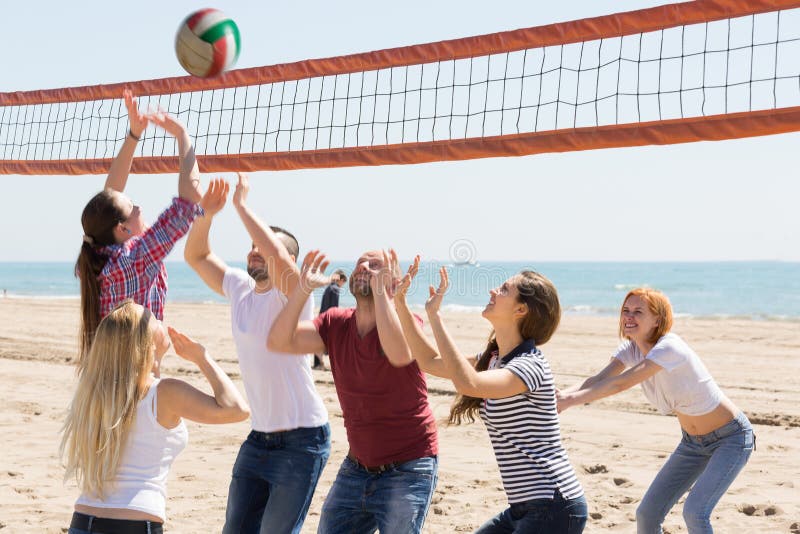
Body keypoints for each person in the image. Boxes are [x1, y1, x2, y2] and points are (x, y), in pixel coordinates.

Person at [394, 256, 587, 534]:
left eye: (504, 289)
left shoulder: (530, 365)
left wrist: (436, 317)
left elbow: (468, 383)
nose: (493, 291)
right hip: (525, 507)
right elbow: (431, 361)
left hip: (554, 504)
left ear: (521, 310)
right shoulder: (495, 359)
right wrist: (401, 305)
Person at [184, 172, 330, 534]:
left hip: (302, 440)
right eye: (250, 244)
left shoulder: (294, 291)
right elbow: (197, 255)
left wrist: (242, 205)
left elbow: (278, 254)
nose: (254, 249)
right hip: (258, 439)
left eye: (260, 244)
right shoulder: (239, 287)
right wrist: (207, 215)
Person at [557, 288, 754, 534]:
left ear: (657, 319)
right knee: (647, 515)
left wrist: (570, 401)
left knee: (695, 512)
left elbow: (620, 383)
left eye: (638, 312)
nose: (629, 316)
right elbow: (598, 380)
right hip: (693, 444)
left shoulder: (669, 347)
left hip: (730, 439)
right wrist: (560, 397)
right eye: (626, 311)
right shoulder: (631, 349)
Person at [269, 249, 438, 534]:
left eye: (375, 266)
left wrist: (385, 293)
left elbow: (398, 354)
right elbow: (279, 342)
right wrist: (302, 289)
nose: (364, 267)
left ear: (393, 282)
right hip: (356, 467)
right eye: (360, 263)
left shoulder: (407, 321)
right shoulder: (336, 323)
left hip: (408, 467)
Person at [61, 300, 249, 534]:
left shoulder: (98, 394)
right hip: (134, 525)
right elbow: (237, 409)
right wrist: (201, 357)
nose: (160, 318)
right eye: (153, 317)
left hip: (82, 521)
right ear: (144, 342)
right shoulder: (166, 394)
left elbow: (145, 394)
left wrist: (156, 362)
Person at [75, 91, 204, 359]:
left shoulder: (95, 253)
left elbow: (109, 199)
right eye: (133, 206)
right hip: (136, 375)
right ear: (123, 229)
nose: (140, 207)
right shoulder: (136, 258)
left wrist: (134, 134)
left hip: (106, 373)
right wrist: (182, 135)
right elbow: (189, 201)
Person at [313, 269, 348, 369]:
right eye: (343, 282)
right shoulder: (335, 289)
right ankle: (325, 363)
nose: (342, 285)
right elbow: (334, 307)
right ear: (340, 280)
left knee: (319, 339)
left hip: (322, 315)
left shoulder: (329, 287)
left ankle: (317, 364)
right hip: (329, 317)